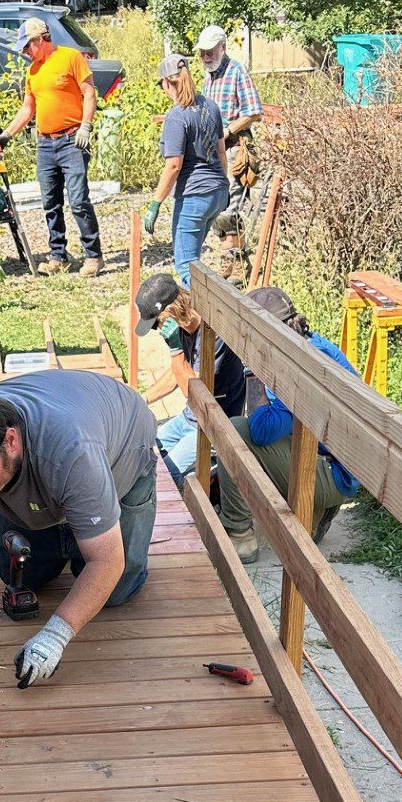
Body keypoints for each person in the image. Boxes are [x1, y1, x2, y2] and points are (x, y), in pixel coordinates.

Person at [0, 374, 158, 687]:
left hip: (123, 453)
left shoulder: (73, 451)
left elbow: (108, 561)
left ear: (10, 441)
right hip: (58, 461)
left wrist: (54, 637)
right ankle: (69, 528)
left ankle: (84, 526)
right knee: (22, 579)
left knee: (116, 591)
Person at [217, 287, 361, 562]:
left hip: (333, 473)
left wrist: (256, 378)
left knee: (235, 430)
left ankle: (239, 533)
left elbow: (262, 432)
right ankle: (315, 512)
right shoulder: (313, 344)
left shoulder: (298, 366)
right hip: (340, 465)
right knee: (264, 429)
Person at [0, 16, 103, 277]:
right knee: (50, 202)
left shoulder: (70, 57)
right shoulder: (32, 71)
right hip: (45, 144)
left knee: (78, 200)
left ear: (40, 39)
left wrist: (86, 126)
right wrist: (6, 135)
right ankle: (58, 256)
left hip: (72, 140)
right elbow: (27, 109)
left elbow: (89, 93)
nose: (25, 52)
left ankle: (93, 256)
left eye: (27, 47)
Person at [133, 271, 247, 480]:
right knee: (141, 451)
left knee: (165, 476)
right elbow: (176, 374)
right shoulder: (185, 326)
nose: (158, 330)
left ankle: (212, 474)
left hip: (214, 426)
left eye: (156, 324)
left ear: (170, 311)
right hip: (190, 418)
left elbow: (194, 394)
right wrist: (141, 399)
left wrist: (175, 351)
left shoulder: (212, 334)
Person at [144, 56, 228, 290]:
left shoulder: (177, 116)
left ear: (166, 83)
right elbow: (221, 152)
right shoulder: (210, 106)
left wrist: (155, 204)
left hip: (195, 196)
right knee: (195, 262)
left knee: (186, 266)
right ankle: (201, 307)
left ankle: (203, 311)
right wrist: (225, 185)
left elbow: (174, 165)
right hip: (217, 192)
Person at [196, 24, 263, 216]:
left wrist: (227, 132)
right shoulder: (209, 74)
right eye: (202, 53)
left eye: (209, 52)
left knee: (229, 209)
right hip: (213, 149)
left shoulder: (236, 71)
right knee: (215, 205)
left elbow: (254, 112)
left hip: (233, 147)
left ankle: (234, 236)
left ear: (223, 47)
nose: (206, 57)